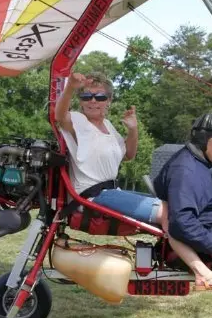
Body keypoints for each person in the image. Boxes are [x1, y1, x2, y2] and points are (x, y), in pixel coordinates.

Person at [55, 71, 166, 227]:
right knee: (165, 213)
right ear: (80, 101)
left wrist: (133, 130)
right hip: (91, 196)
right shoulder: (78, 121)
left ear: (109, 100)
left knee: (170, 206)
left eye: (100, 97)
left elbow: (128, 155)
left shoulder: (108, 126)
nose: (92, 101)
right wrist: (70, 88)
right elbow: (59, 116)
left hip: (112, 192)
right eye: (86, 97)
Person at [154, 112, 212, 291]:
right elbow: (181, 223)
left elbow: (206, 207)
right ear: (203, 139)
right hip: (206, 244)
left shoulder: (198, 164)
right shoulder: (186, 171)